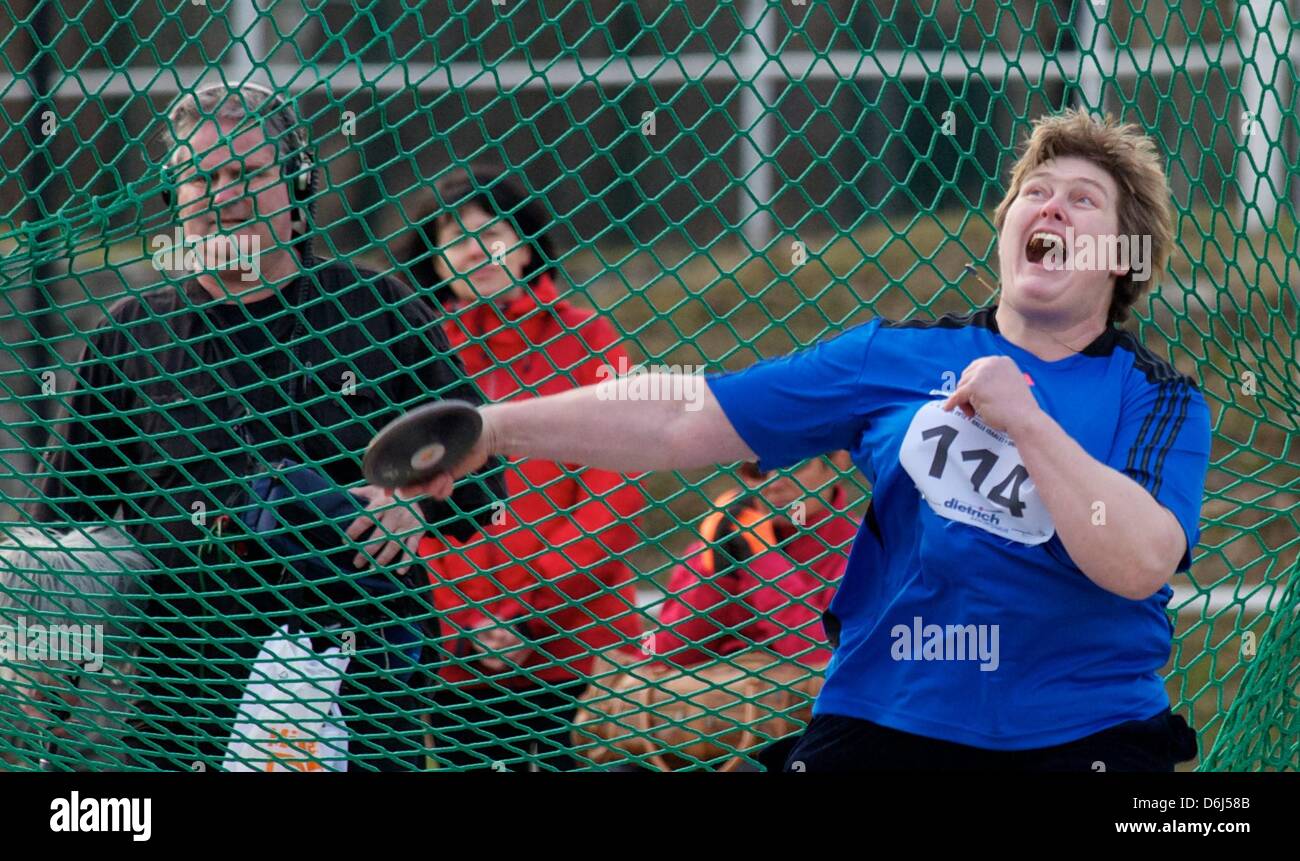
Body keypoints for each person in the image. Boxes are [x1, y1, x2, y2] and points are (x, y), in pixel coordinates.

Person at [396, 110, 1213, 771]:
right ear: (1006, 229)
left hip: (1084, 738)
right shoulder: (893, 358)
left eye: (1083, 199)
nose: (1051, 207)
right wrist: (497, 427)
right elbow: (687, 411)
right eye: (1035, 191)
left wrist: (1027, 420)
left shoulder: (1155, 399)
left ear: (1122, 256)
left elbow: (1138, 558)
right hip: (885, 722)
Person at [27, 82, 505, 770]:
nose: (223, 194)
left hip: (356, 673)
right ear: (174, 197)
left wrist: (412, 508)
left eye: (244, 173)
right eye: (201, 177)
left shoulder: (378, 309)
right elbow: (62, 524)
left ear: (297, 183)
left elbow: (485, 481)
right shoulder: (127, 338)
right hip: (188, 688)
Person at [398, 167, 647, 771]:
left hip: (572, 634)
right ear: (432, 260)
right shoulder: (409, 342)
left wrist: (527, 604)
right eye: (453, 236)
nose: (475, 250)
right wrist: (466, 613)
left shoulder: (589, 338)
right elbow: (401, 491)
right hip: (450, 642)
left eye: (491, 231)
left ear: (527, 241)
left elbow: (617, 484)